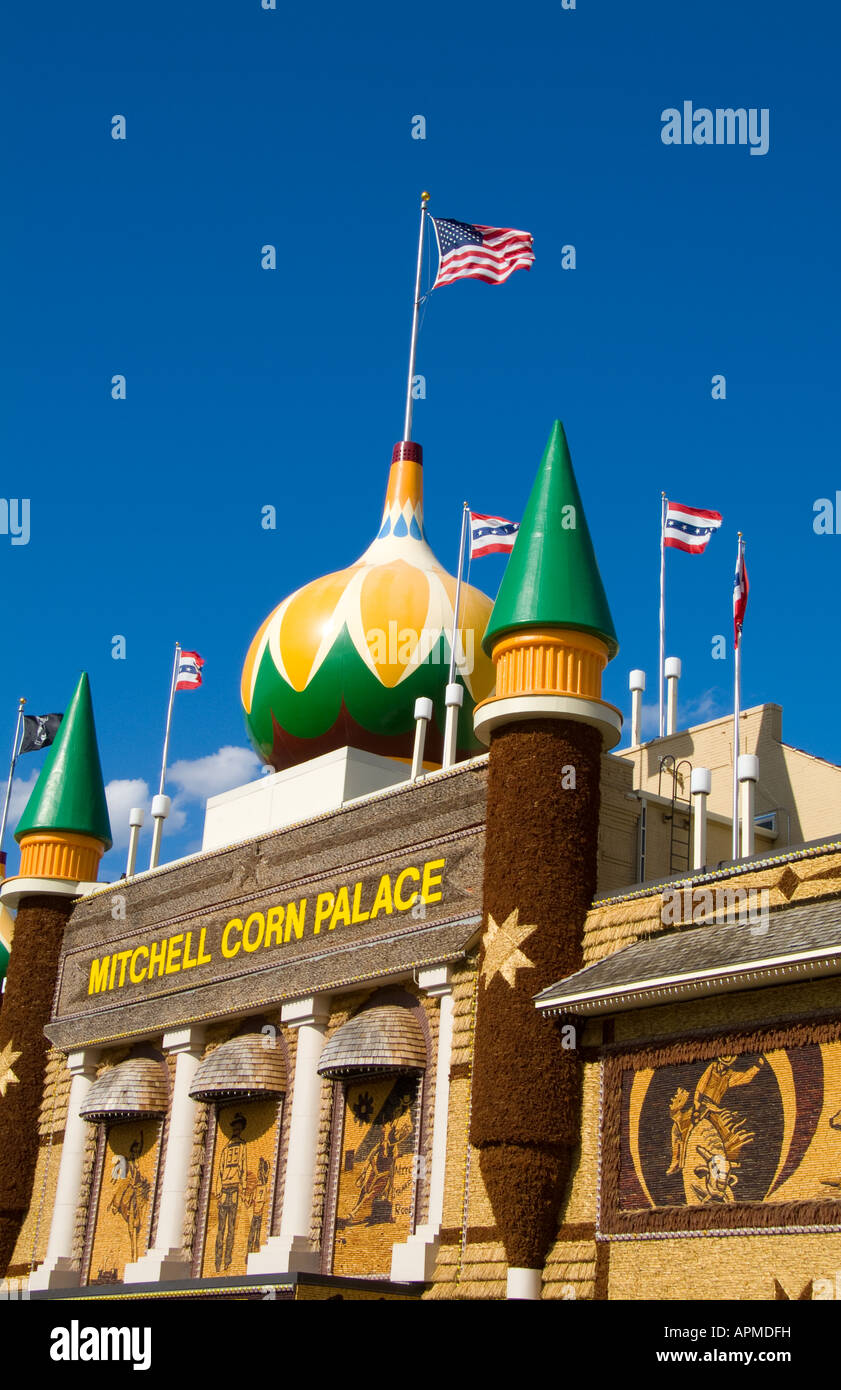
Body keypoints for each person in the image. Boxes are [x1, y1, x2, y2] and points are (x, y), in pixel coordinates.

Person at [215, 1113, 247, 1271]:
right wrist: (218, 1190)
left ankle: (227, 1260)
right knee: (221, 1228)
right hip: (226, 1188)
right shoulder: (226, 1148)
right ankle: (218, 1260)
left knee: (231, 1227)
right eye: (235, 1126)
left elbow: (243, 1167)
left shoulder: (241, 1146)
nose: (236, 1129)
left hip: (233, 1188)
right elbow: (220, 1170)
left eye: (238, 1127)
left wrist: (243, 1187)